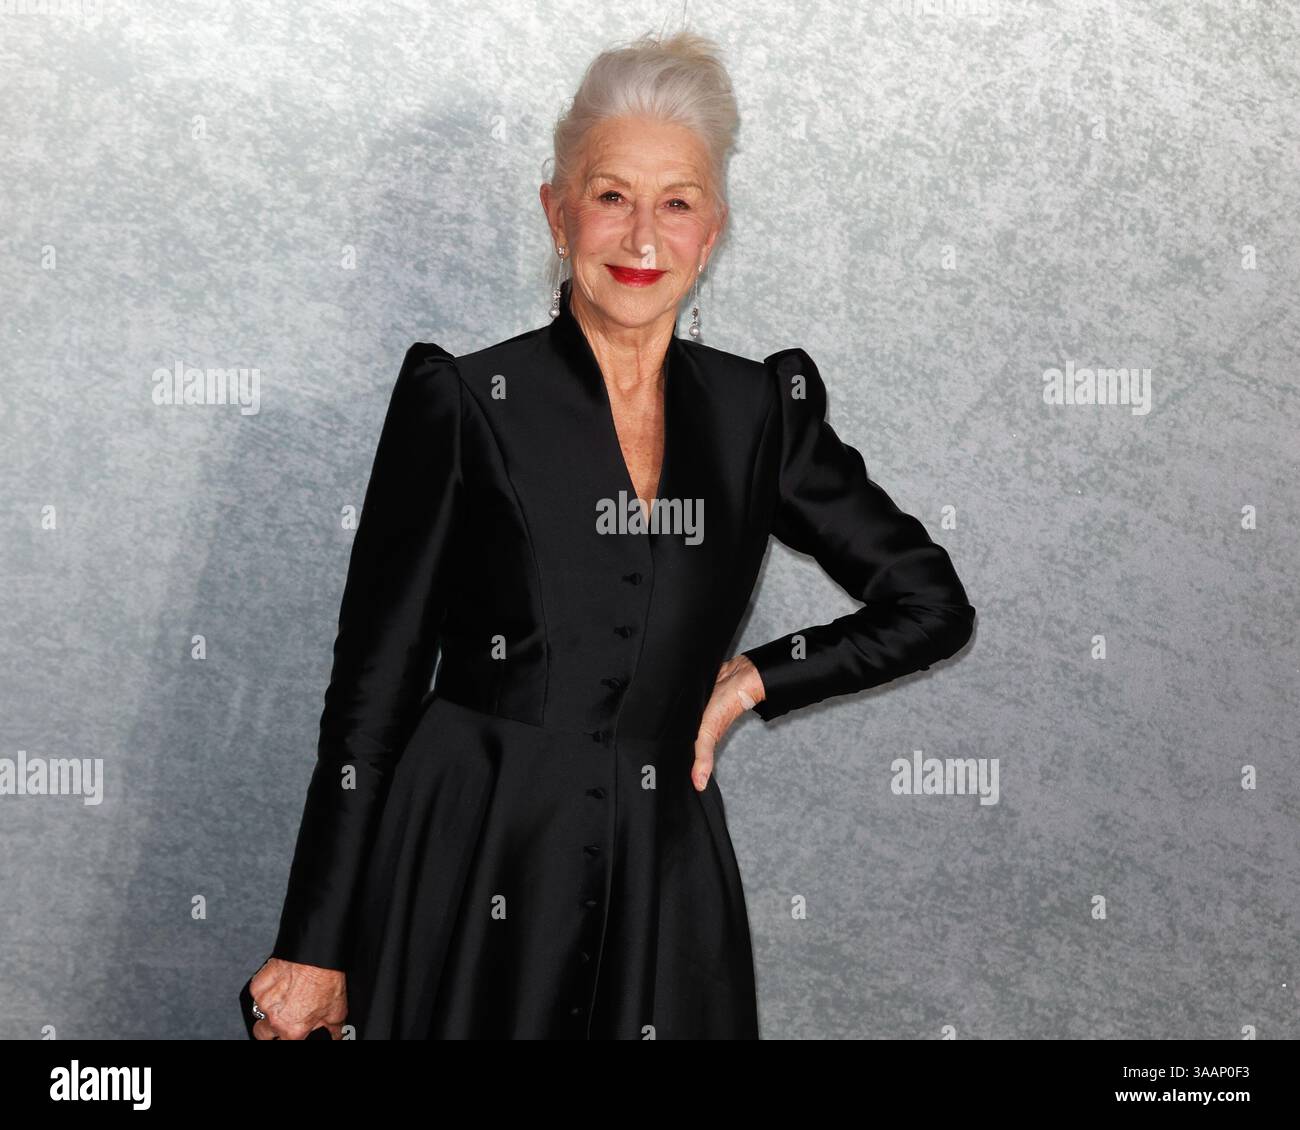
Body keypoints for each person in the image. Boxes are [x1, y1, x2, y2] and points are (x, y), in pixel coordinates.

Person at [245, 29, 975, 1040]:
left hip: (660, 879)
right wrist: (314, 941)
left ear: (711, 229)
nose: (641, 238)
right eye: (609, 194)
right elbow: (371, 693)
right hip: (470, 853)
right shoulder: (462, 399)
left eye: (675, 203)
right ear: (557, 212)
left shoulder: (761, 409)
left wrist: (757, 677)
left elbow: (929, 603)